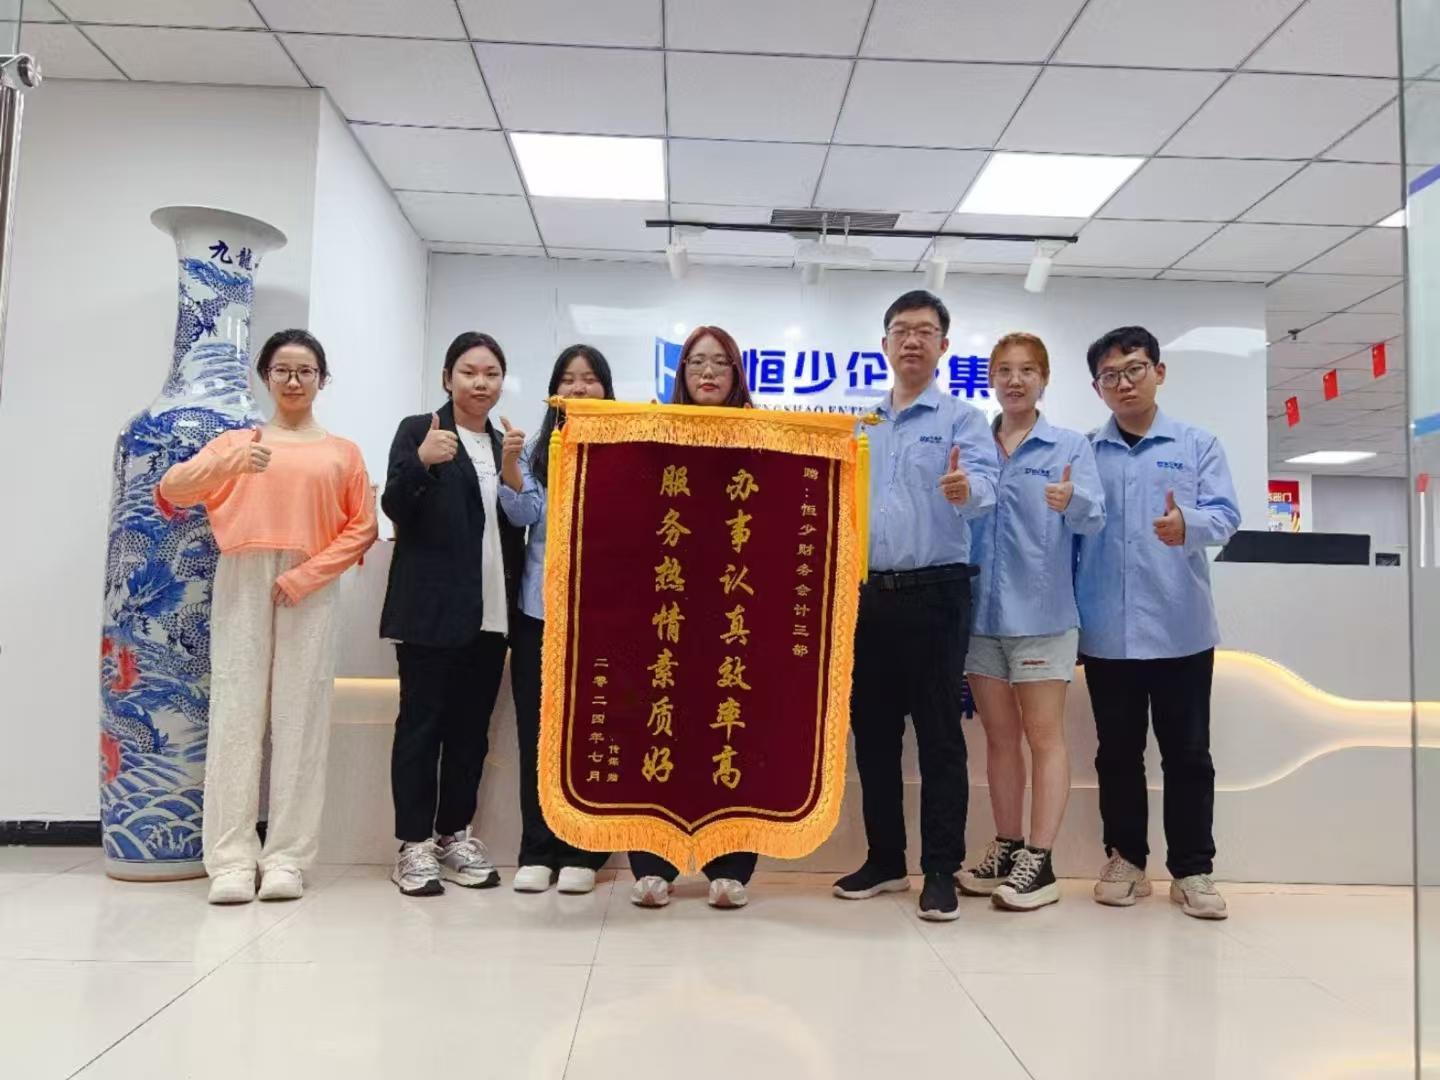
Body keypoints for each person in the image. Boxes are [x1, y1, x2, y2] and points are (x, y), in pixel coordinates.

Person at [159, 329, 377, 905]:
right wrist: (228, 463)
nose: (294, 380)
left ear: (322, 379)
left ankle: (287, 858)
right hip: (242, 574)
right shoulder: (238, 442)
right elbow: (173, 488)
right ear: (266, 377)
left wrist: (307, 575)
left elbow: (362, 526)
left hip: (311, 584)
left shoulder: (343, 452)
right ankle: (230, 860)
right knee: (236, 713)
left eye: (306, 371)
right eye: (283, 370)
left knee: (301, 719)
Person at [833, 290, 999, 922]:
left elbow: (985, 489)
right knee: (873, 736)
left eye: (925, 331)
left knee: (938, 738)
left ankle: (939, 870)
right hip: (867, 597)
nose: (912, 340)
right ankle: (885, 860)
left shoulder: (963, 420)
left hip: (937, 594)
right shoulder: (861, 424)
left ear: (943, 346)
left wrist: (965, 488)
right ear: (884, 344)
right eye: (901, 330)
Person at [1075, 326, 1241, 920]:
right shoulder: (1085, 453)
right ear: (1097, 387)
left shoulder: (1197, 444)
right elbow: (1072, 535)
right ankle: (1126, 859)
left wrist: (1187, 524)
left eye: (1134, 369)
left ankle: (1192, 869)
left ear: (1159, 373)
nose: (1124, 383)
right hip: (1106, 630)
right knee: (1116, 753)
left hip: (1180, 628)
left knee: (1188, 754)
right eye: (1110, 375)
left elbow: (1227, 516)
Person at [956, 333, 1104, 911]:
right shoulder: (973, 445)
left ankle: (1040, 862)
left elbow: (1095, 518)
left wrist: (1073, 501)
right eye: (1004, 370)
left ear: (1044, 379)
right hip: (980, 617)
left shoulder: (1069, 446)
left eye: (1027, 371)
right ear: (991, 378)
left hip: (1042, 616)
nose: (1015, 381)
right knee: (998, 740)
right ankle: (1009, 847)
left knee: (1044, 737)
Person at [380, 332, 526, 897]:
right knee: (421, 729)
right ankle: (413, 844)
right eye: (469, 372)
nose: (480, 382)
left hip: (492, 613)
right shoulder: (420, 429)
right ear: (448, 378)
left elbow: (516, 524)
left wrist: (513, 472)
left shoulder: (505, 443)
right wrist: (421, 462)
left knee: (470, 734)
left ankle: (454, 835)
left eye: (491, 373)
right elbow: (395, 505)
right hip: (430, 611)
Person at [630, 324, 759, 910]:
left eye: (720, 363)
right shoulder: (657, 432)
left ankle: (729, 867)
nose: (708, 373)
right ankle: (651, 864)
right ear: (681, 373)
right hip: (669, 602)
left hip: (736, 606)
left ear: (736, 374)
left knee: (730, 731)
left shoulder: (763, 438)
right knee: (660, 725)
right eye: (697, 363)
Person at [498, 345, 616, 895]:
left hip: (604, 618)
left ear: (606, 390)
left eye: (589, 379)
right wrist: (510, 465)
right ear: (553, 391)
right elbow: (524, 513)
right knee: (539, 735)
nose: (578, 388)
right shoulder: (537, 450)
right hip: (540, 612)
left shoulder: (627, 448)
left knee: (594, 733)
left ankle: (586, 851)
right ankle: (537, 848)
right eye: (567, 379)